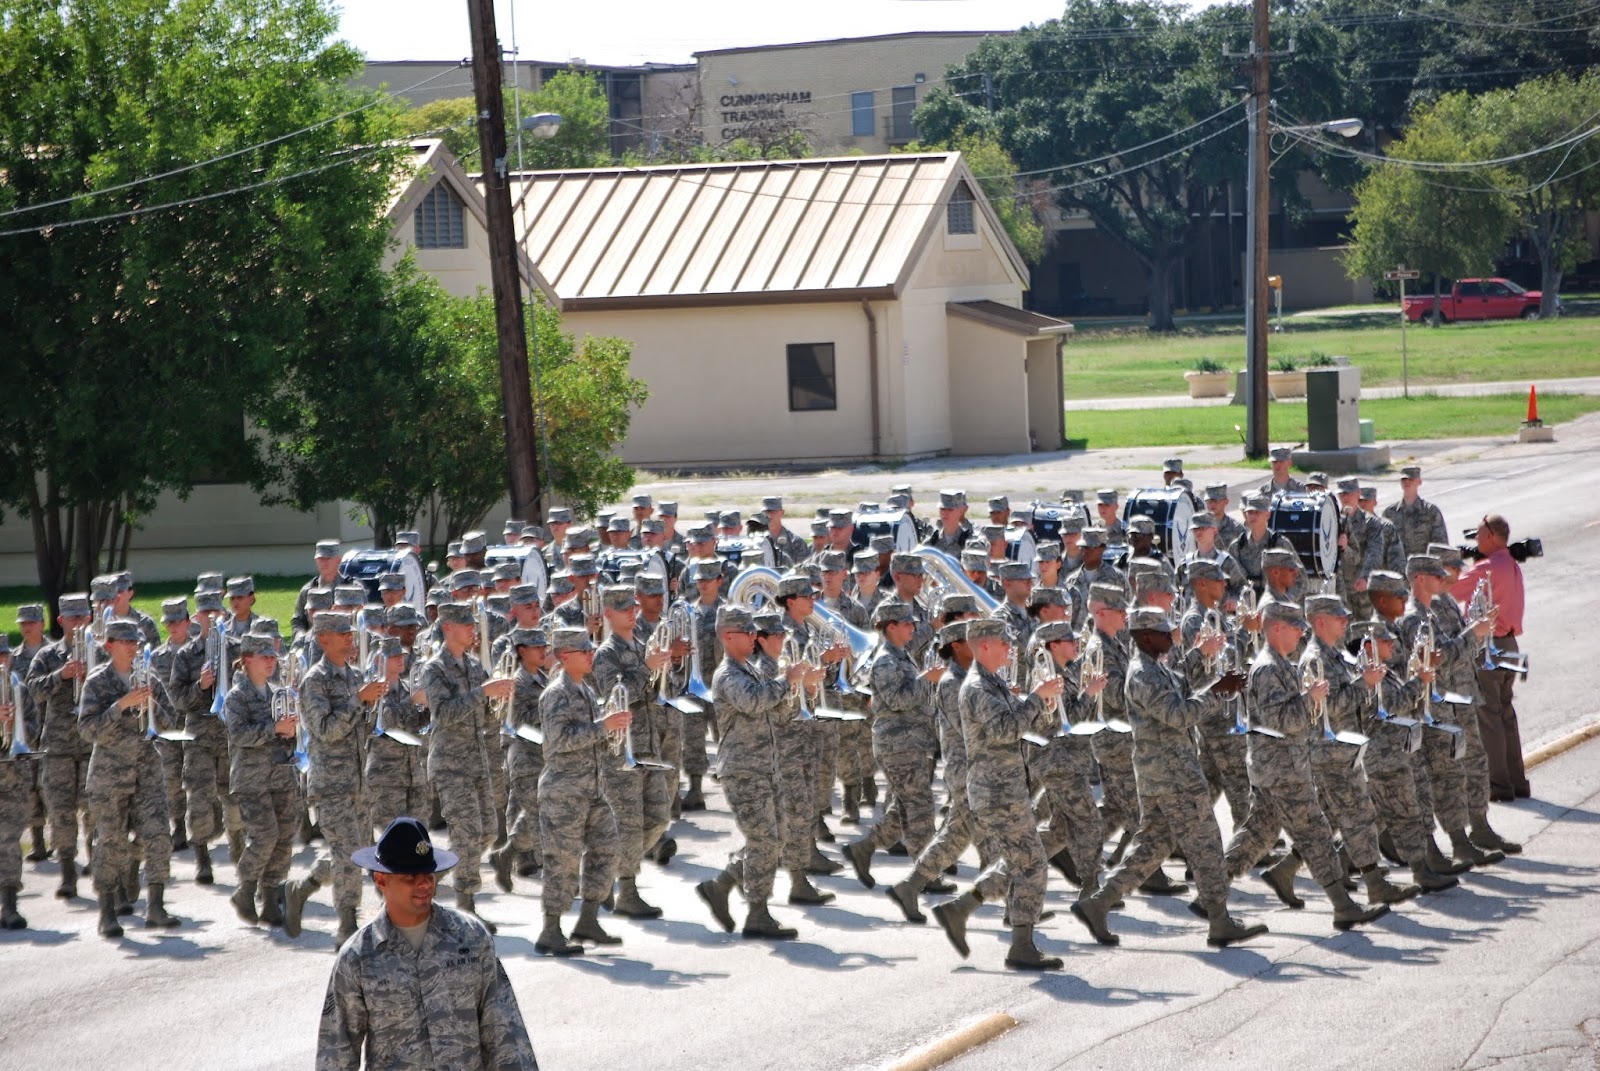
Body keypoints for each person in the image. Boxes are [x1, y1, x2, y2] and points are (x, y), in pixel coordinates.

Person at [316, 816, 539, 1071]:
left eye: (428, 875)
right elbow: (336, 1051)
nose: (424, 884)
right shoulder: (358, 957)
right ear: (381, 880)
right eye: (410, 876)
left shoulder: (470, 938)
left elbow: (505, 1030)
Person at [1450, 514, 1529, 801]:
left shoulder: (1486, 567)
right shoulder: (1510, 564)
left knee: (1489, 718)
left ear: (1493, 537)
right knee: (1506, 713)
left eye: (1481, 537)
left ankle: (1499, 785)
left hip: (1488, 646)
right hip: (1510, 644)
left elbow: (1452, 590)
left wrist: (1456, 568)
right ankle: (1517, 781)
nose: (1477, 542)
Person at [1383, 466, 1448, 558]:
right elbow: (1384, 545)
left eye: (1411, 479)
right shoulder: (1389, 513)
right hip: (1399, 567)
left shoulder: (1431, 511)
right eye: (1404, 479)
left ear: (1419, 482)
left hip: (1425, 567)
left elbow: (1440, 545)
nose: (1407, 482)